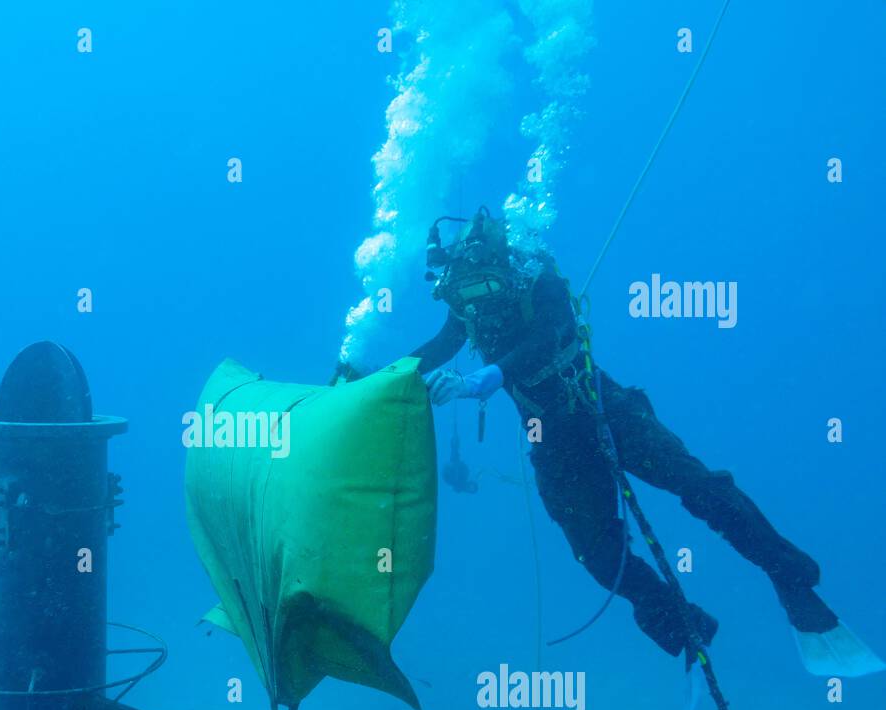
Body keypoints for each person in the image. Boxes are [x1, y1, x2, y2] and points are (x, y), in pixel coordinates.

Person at [338, 206, 882, 675]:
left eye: (487, 286)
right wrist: (379, 380)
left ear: (503, 267)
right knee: (594, 551)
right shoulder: (467, 305)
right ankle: (682, 624)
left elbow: (547, 336)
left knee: (701, 488)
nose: (481, 302)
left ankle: (793, 583)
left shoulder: (539, 281)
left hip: (603, 408)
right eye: (467, 293)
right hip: (550, 438)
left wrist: (483, 379)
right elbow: (437, 346)